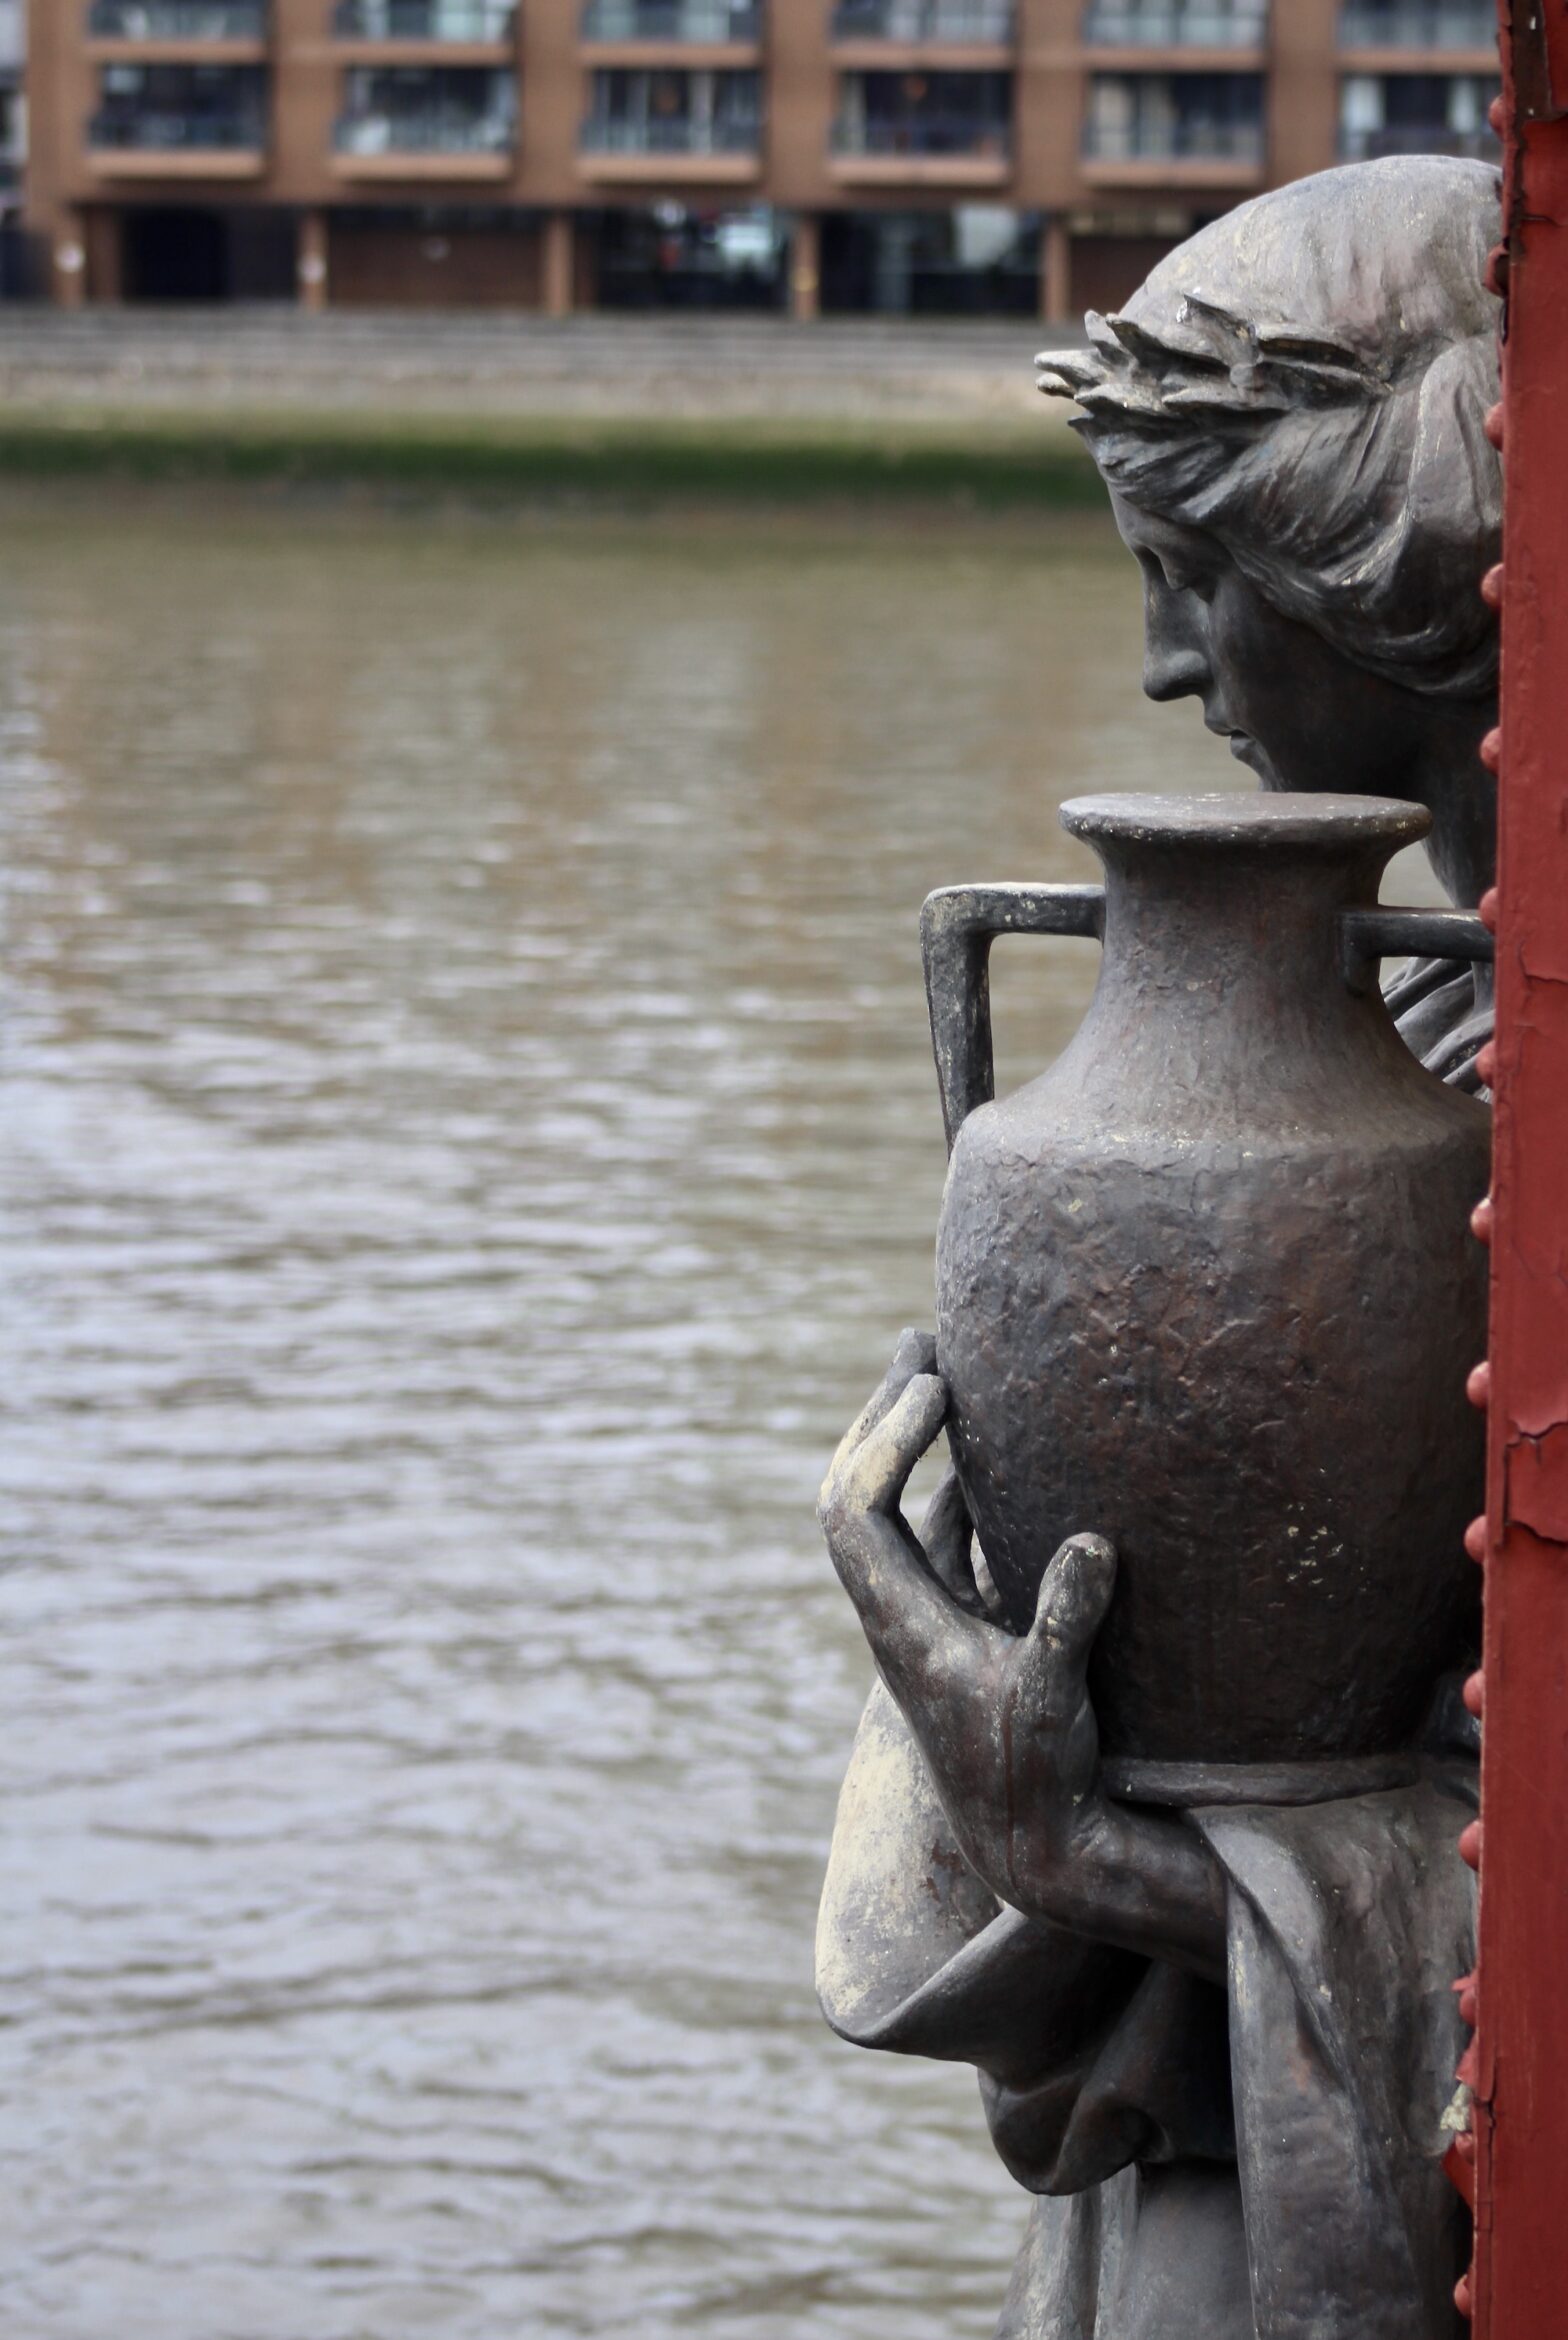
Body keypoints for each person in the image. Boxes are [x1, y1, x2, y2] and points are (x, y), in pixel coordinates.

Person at [816, 156, 1498, 2339]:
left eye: (1195, 574)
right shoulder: (1387, 1019)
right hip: (1221, 2132)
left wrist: (1115, 1871)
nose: (1152, 663)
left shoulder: (1490, 1067)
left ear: (1399, 554)